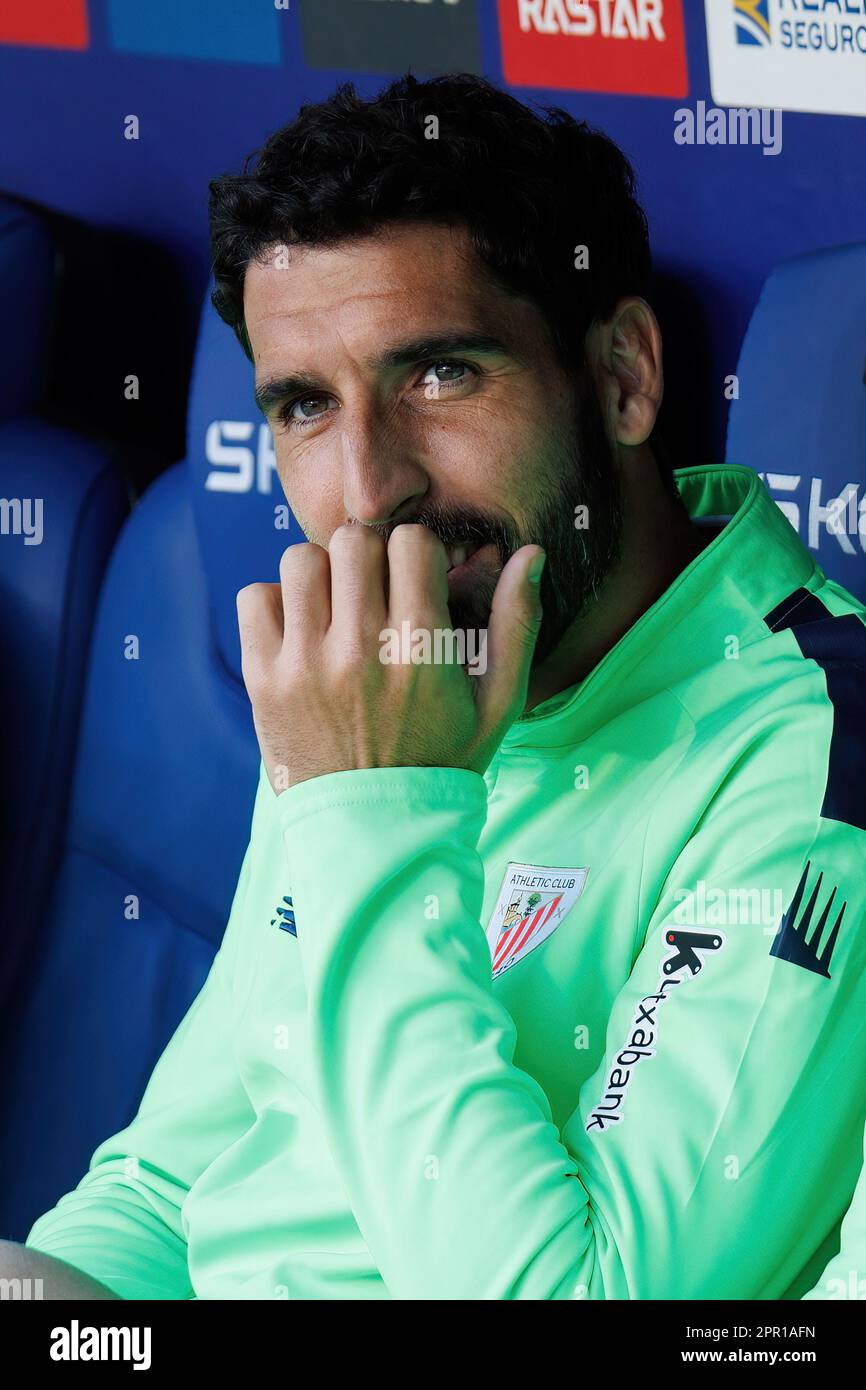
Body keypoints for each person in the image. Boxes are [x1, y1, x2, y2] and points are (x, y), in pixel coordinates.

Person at [8, 73, 866, 1300]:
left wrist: (374, 811)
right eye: (305, 405)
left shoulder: (807, 753)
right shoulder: (378, 672)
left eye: (438, 376)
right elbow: (176, 1183)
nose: (369, 491)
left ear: (622, 376)